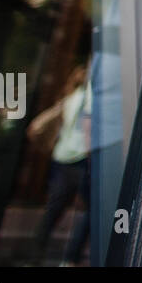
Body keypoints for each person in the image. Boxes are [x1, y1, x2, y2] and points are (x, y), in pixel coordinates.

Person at [28, 63, 92, 265]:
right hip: (81, 159)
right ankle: (70, 259)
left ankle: (34, 256)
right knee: (93, 211)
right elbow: (88, 128)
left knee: (53, 210)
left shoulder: (70, 98)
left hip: (61, 157)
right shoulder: (90, 98)